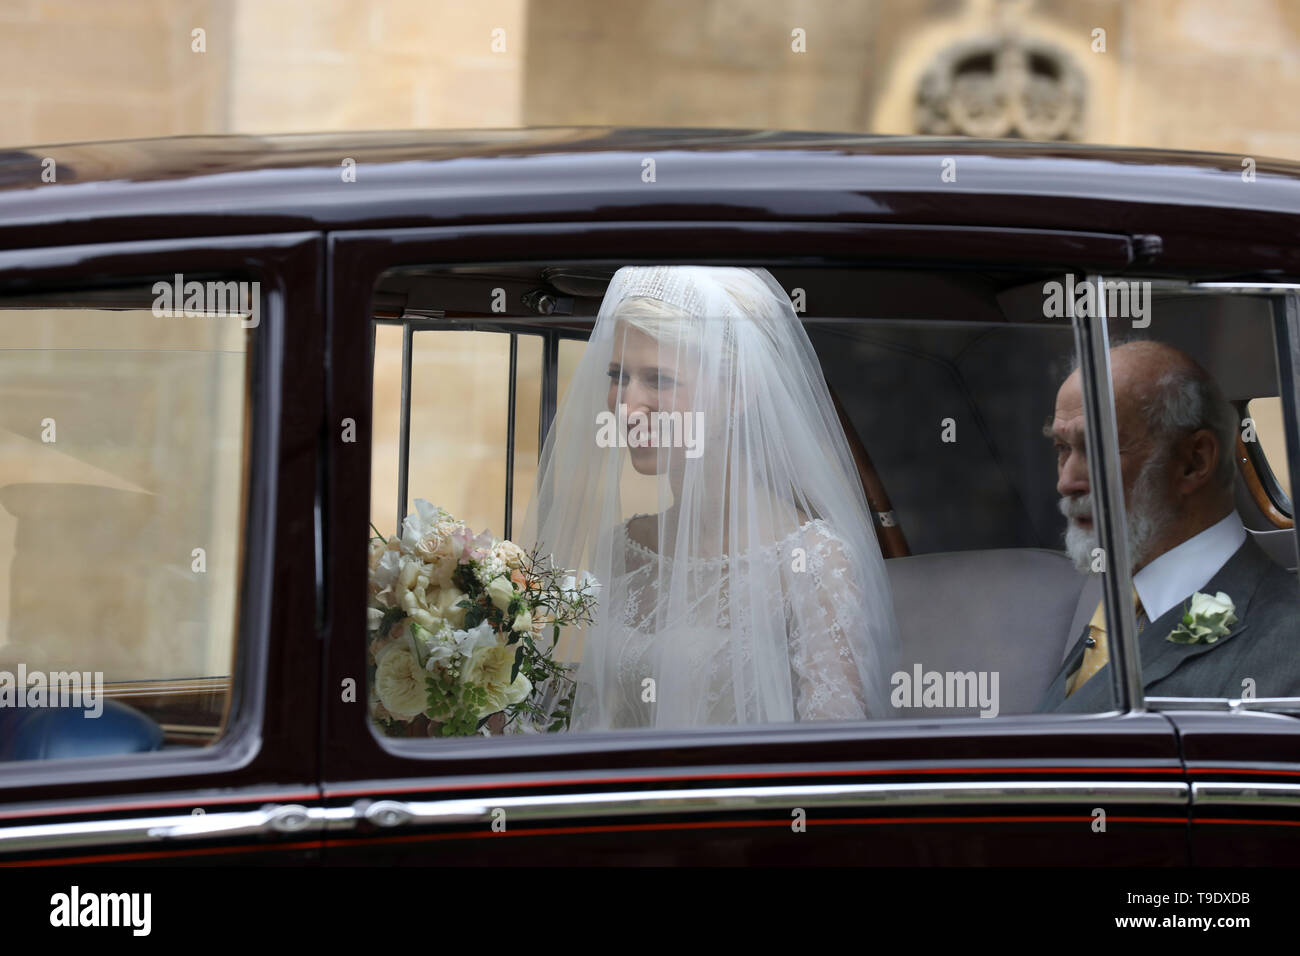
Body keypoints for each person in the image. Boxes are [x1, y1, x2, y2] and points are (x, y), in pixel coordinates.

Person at [520, 265, 900, 730]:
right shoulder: (622, 549)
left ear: (738, 392)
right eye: (619, 375)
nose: (626, 405)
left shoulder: (811, 561)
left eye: (658, 379)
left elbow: (832, 754)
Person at [1040, 340, 1300, 711]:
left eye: (1098, 448)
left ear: (1193, 463)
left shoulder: (1287, 646)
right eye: (1062, 448)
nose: (1067, 481)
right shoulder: (1120, 607)